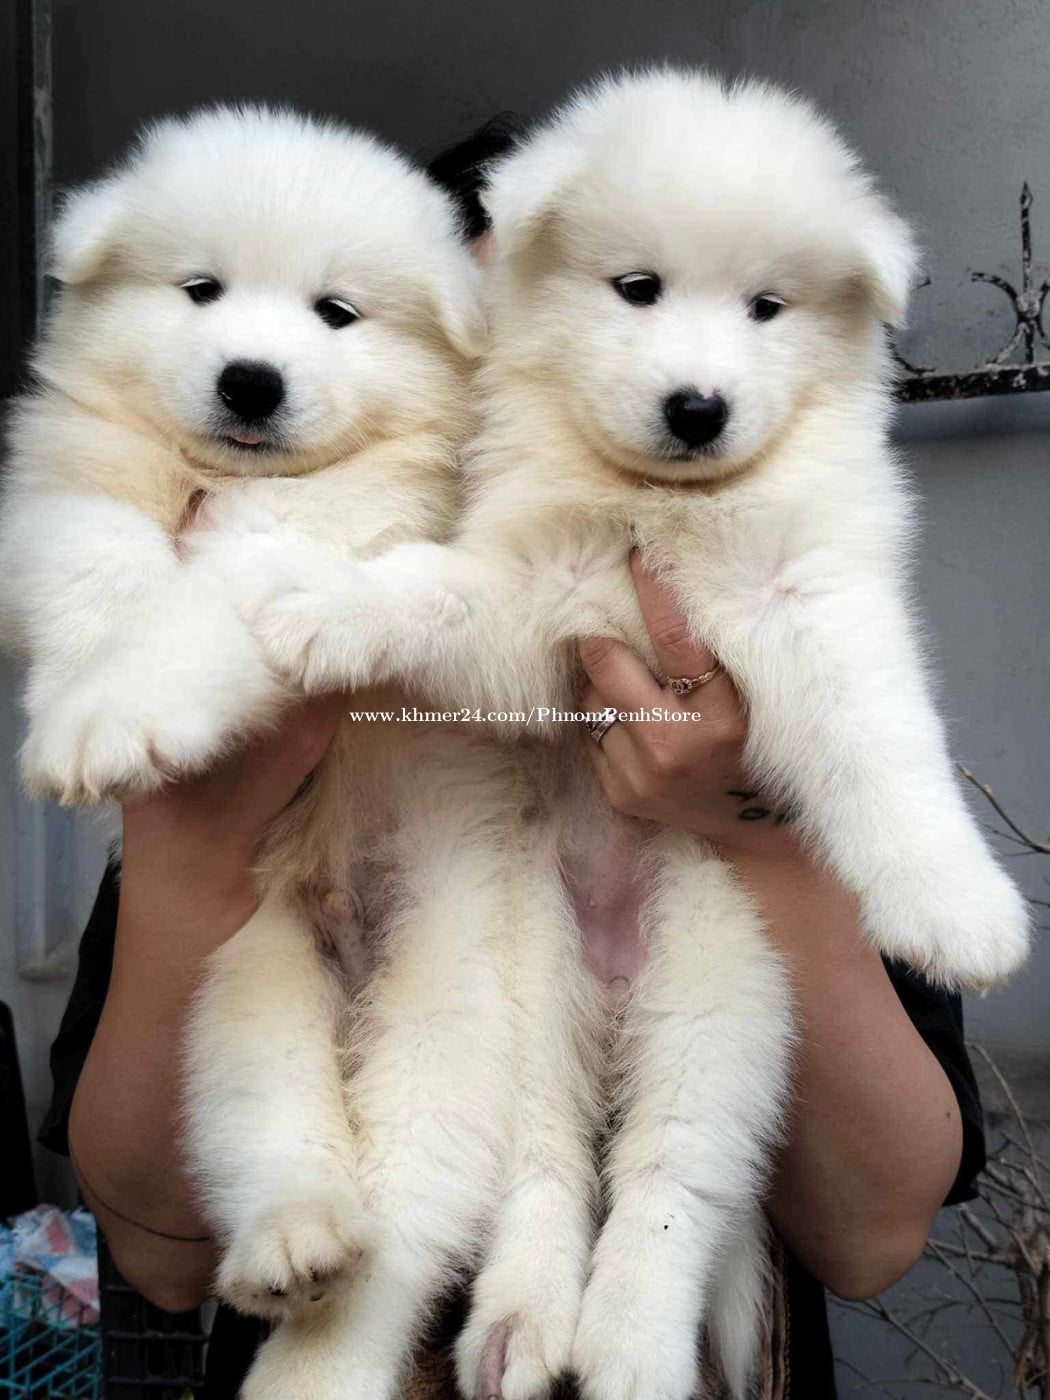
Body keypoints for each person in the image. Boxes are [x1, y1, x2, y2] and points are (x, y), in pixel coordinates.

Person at [39, 123, 985, 1400]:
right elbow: (158, 1255)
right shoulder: (247, 697)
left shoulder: (782, 694)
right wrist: (189, 837)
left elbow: (872, 1236)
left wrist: (755, 828)